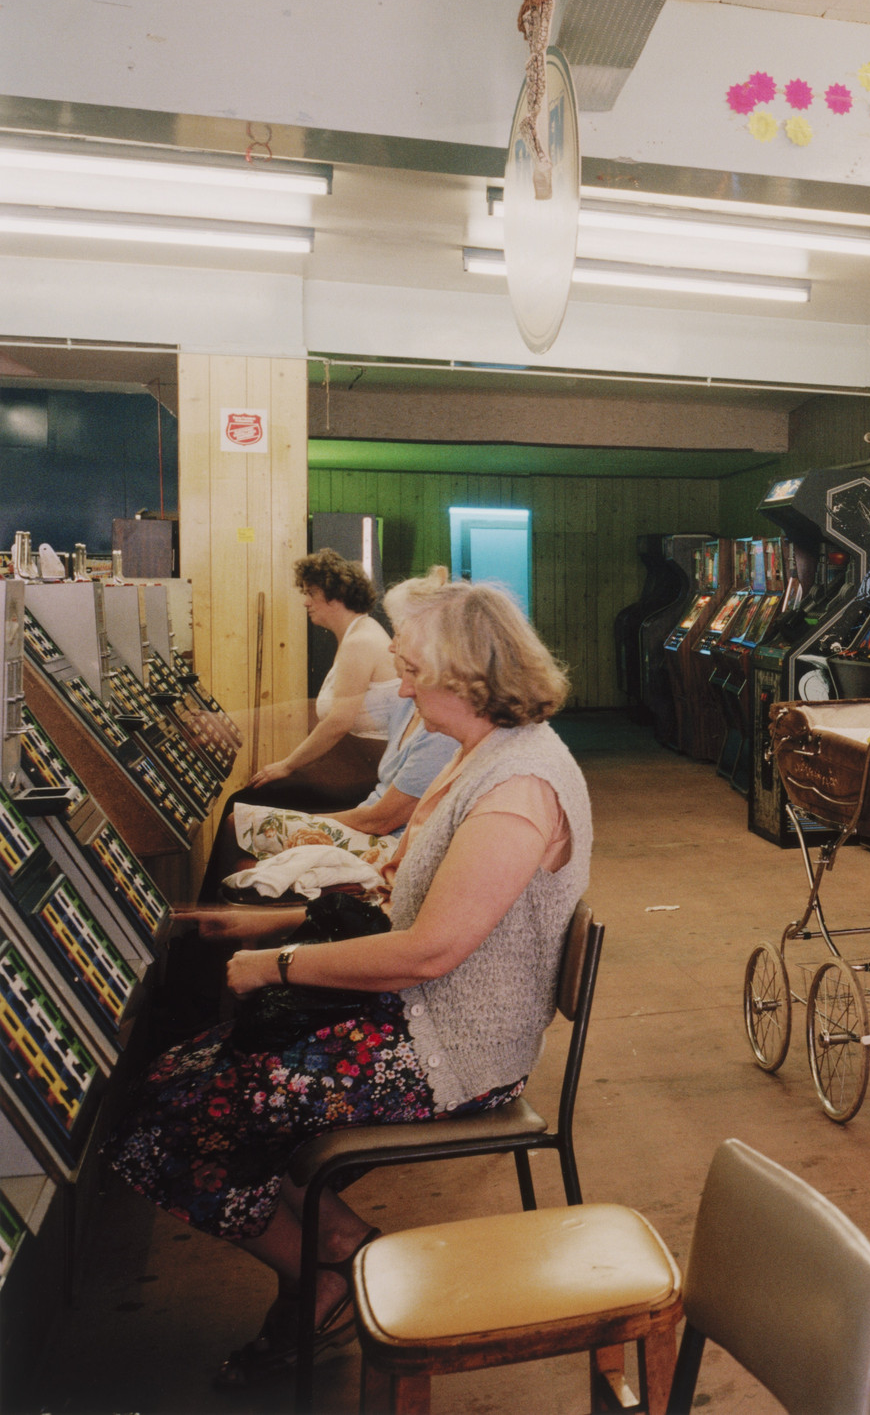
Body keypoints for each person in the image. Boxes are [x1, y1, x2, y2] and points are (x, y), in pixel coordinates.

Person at [110, 580, 589, 1384]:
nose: (401, 689)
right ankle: (336, 1251)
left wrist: (279, 965)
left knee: (172, 1123)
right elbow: (398, 891)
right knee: (178, 1081)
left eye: (412, 672)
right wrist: (272, 922)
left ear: (465, 676)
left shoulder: (519, 787)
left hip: (454, 1052)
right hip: (413, 1019)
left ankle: (337, 1262)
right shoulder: (483, 754)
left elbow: (429, 950)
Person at [200, 566, 452, 899]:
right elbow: (320, 711)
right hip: (368, 799)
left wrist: (308, 815)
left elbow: (381, 817)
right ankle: (215, 928)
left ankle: (204, 934)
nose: (390, 647)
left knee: (239, 818)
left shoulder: (440, 725)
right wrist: (238, 720)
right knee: (246, 815)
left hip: (387, 833)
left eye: (398, 634)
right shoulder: (408, 701)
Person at [247, 549, 401, 801]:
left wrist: (287, 765)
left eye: (311, 593)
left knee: (254, 797)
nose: (306, 602)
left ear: (335, 595)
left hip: (370, 770)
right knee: (256, 794)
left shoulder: (360, 641)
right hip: (355, 761)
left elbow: (338, 722)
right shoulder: (355, 634)